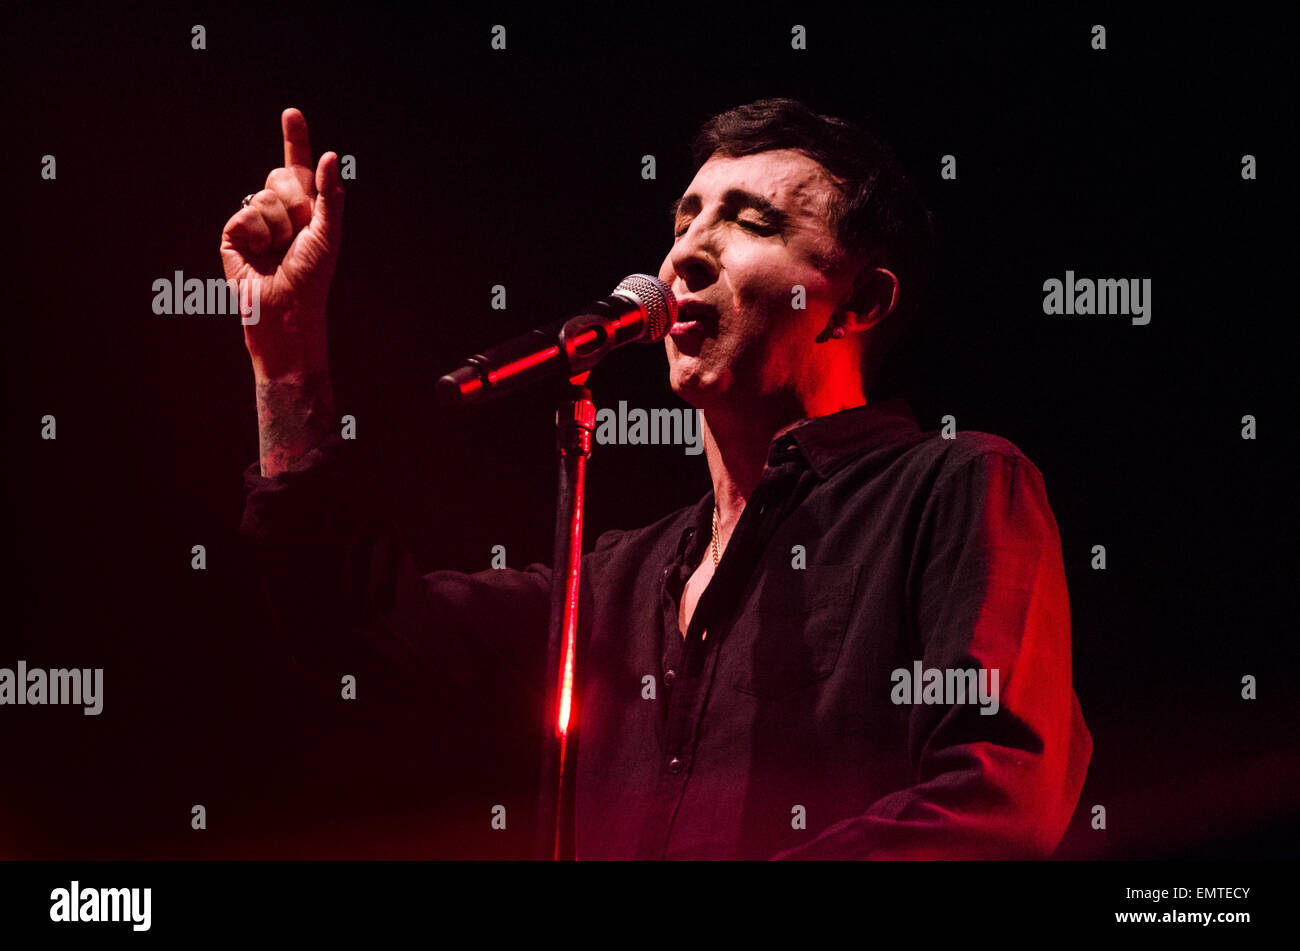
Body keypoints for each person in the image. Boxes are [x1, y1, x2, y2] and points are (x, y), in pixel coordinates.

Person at [227, 98, 1092, 859]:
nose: (686, 255)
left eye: (751, 222)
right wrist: (287, 351)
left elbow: (994, 800)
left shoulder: (957, 487)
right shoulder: (615, 581)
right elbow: (356, 623)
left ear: (860, 302)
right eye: (684, 219)